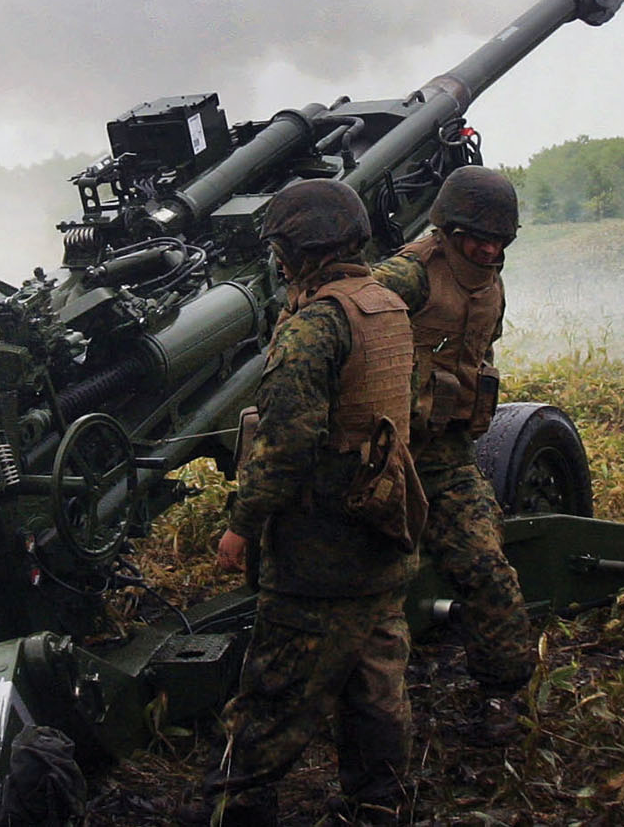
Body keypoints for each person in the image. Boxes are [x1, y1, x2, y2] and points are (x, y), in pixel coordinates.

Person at [193, 179, 422, 827]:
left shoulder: (314, 327)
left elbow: (285, 448)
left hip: (320, 547)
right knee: (376, 687)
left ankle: (238, 809)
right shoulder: (386, 306)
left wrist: (241, 526)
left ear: (293, 252)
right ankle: (376, 805)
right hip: (385, 524)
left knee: (271, 694)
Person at [370, 165, 537, 741]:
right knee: (368, 589)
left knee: (486, 567)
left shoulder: (492, 279)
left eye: (499, 241)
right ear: (447, 229)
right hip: (387, 459)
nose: (488, 249)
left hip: (446, 457)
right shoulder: (406, 276)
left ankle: (501, 695)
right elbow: (341, 326)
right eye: (477, 238)